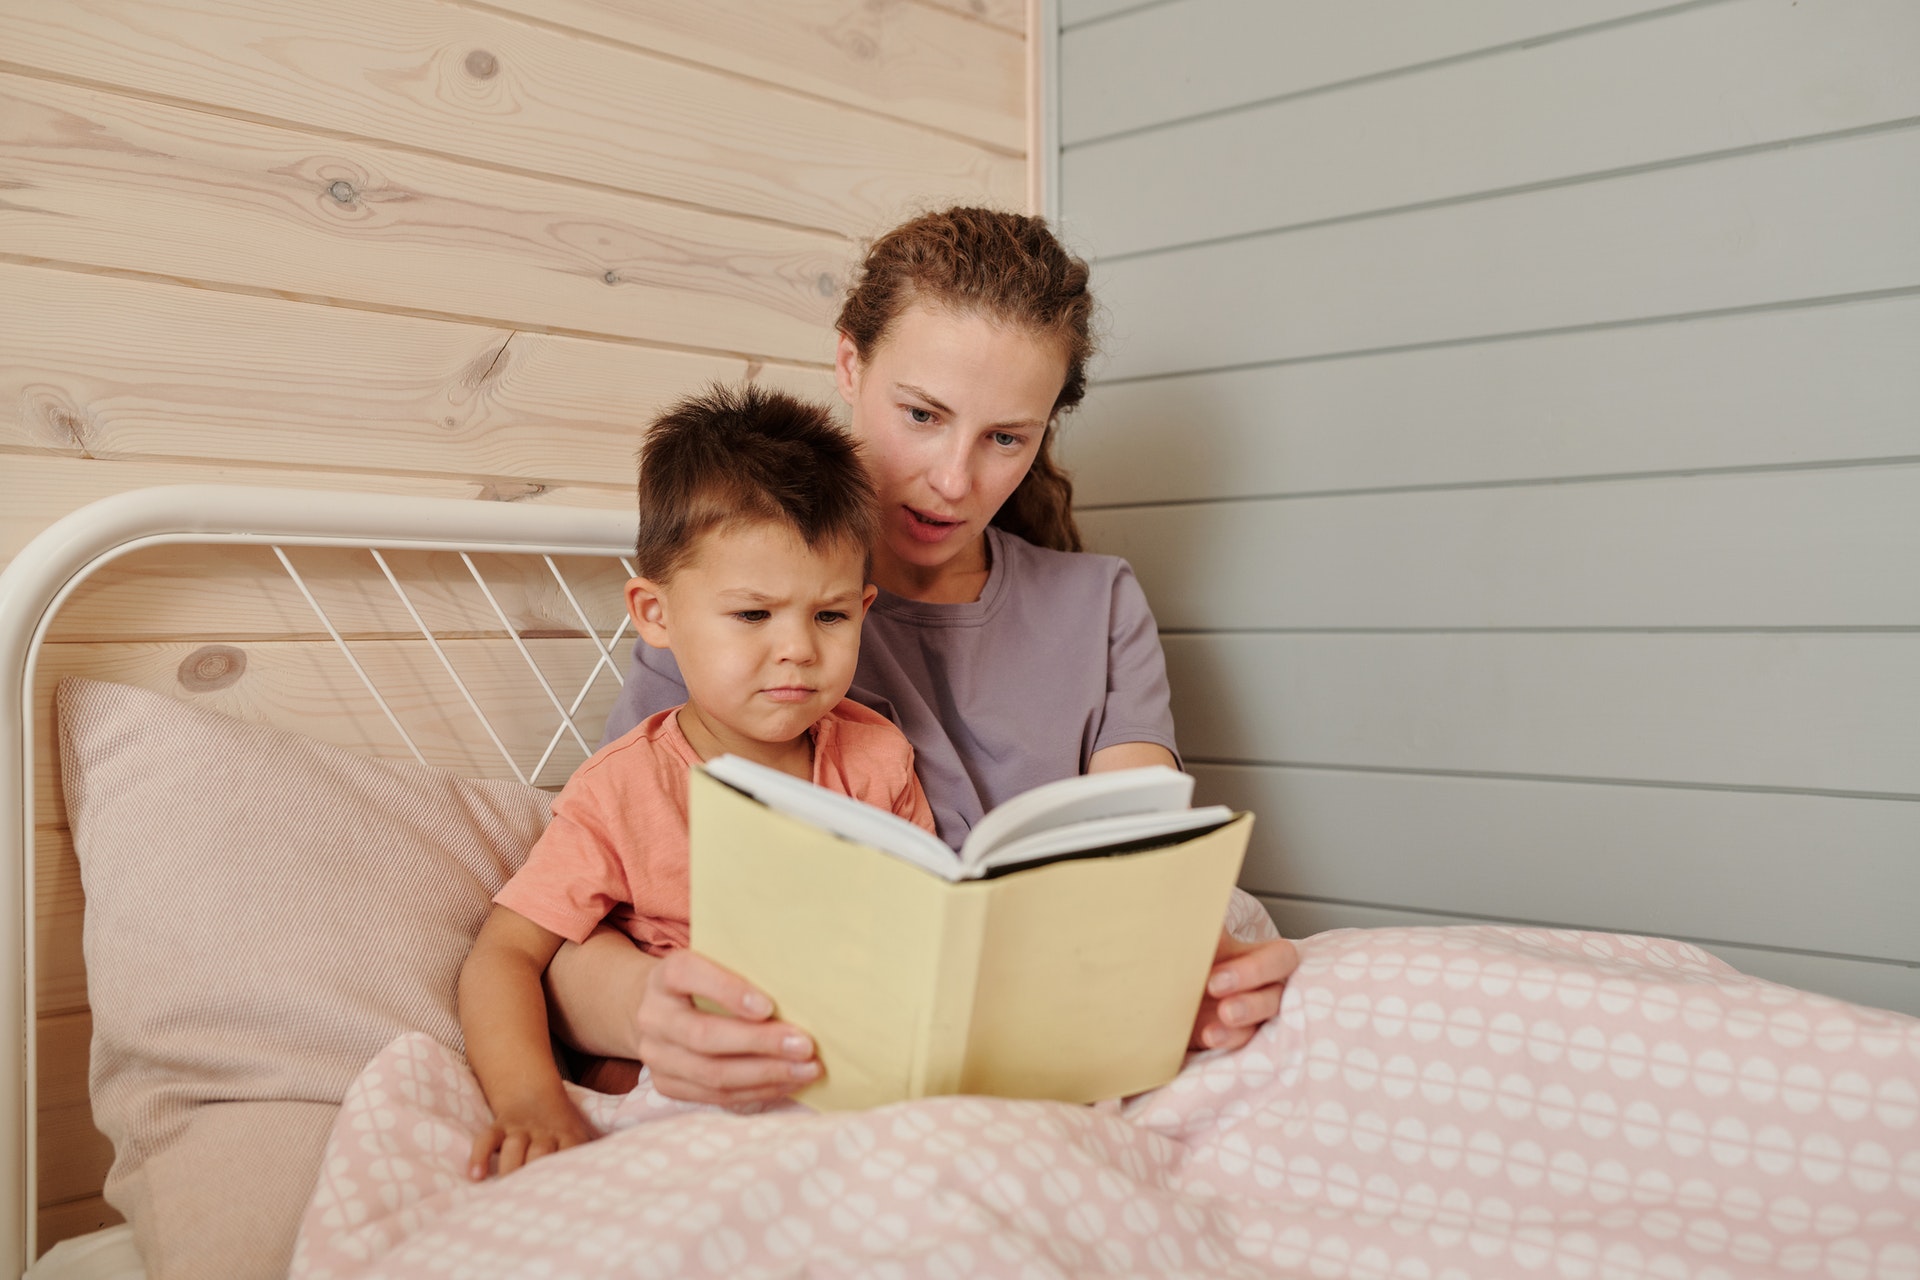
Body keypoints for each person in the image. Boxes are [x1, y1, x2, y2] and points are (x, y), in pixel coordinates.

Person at [542, 206, 1300, 1107]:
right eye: (921, 415)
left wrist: (1184, 974)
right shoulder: (739, 626)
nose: (953, 479)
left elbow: (1132, 868)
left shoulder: (1099, 605)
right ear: (849, 366)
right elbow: (570, 934)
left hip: (1055, 1055)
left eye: (1006, 438)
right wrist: (646, 1012)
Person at [458, 385, 936, 1177]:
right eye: (753, 616)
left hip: (854, 1088)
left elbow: (929, 922)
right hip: (681, 1103)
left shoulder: (876, 758)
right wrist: (529, 1098)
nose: (797, 650)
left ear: (865, 607)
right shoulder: (622, 791)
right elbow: (504, 956)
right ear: (655, 614)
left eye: (830, 616)